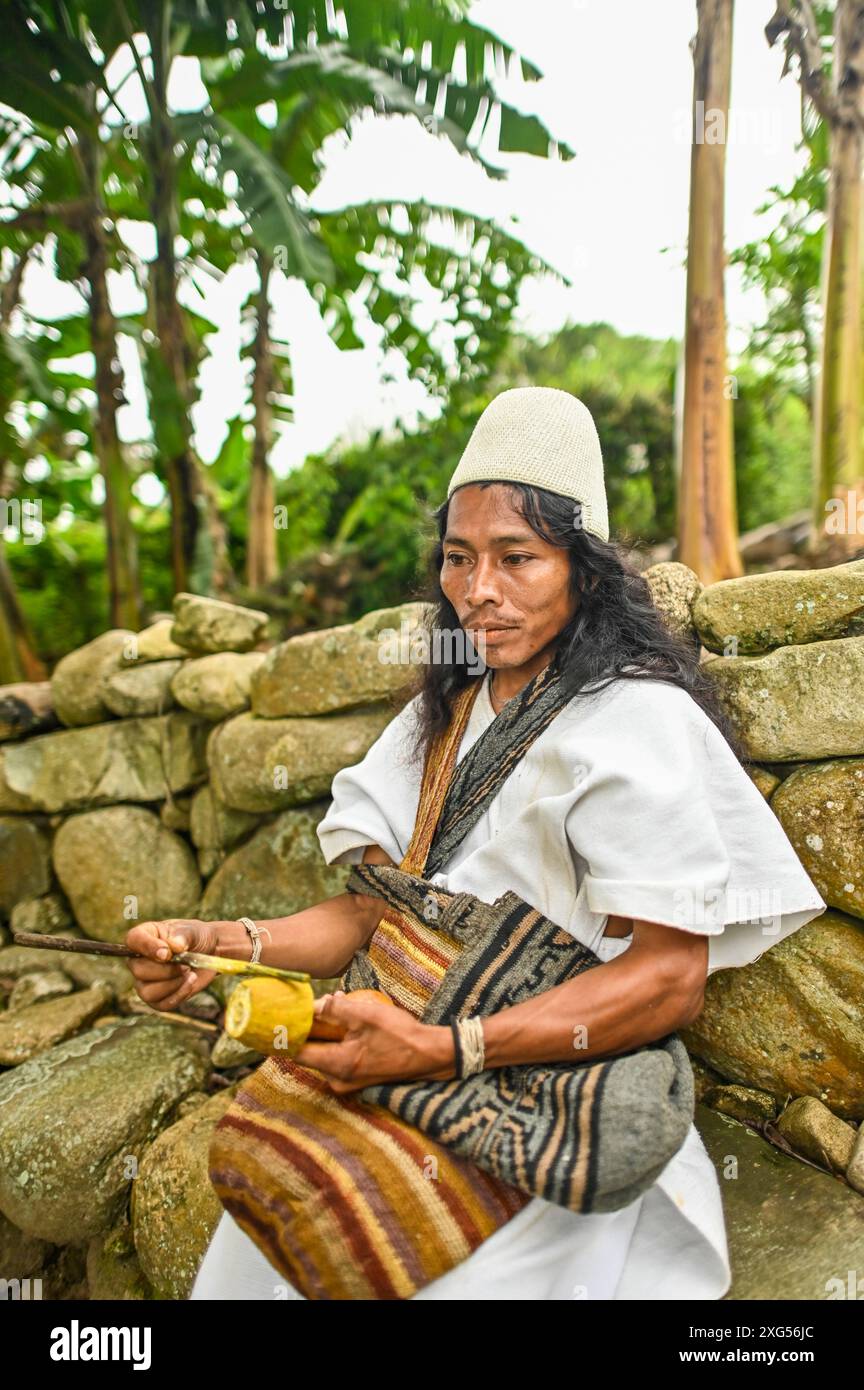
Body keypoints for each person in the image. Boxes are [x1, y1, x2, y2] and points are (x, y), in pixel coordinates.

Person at [127, 386, 826, 1300]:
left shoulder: (635, 722)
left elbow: (668, 978)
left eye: (517, 558)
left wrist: (441, 1051)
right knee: (260, 1245)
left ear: (585, 570)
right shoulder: (446, 717)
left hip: (543, 1107)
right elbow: (373, 915)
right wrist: (227, 944)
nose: (478, 591)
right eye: (459, 559)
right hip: (402, 1066)